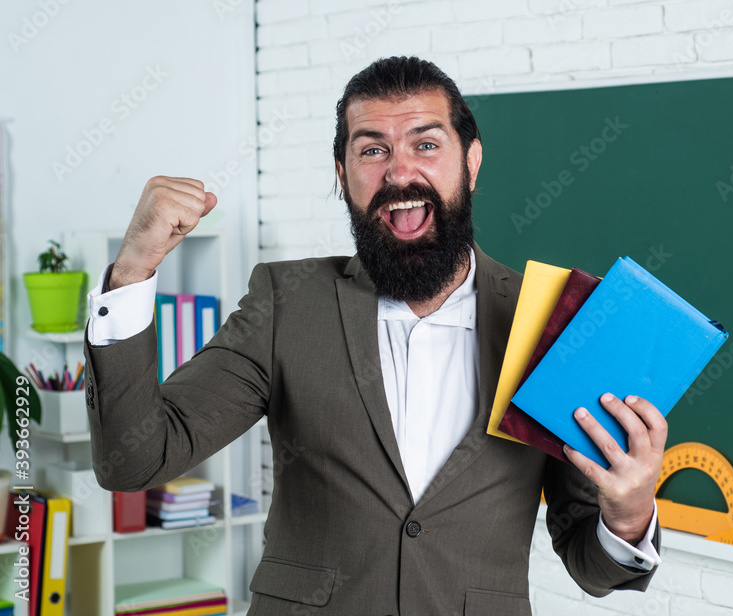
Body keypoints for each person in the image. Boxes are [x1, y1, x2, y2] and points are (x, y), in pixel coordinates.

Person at [83, 56, 666, 615]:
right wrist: (133, 271)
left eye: (426, 144)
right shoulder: (286, 304)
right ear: (342, 176)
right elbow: (133, 460)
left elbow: (592, 566)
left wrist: (630, 511)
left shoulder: (554, 325)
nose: (399, 172)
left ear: (471, 162)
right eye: (372, 150)